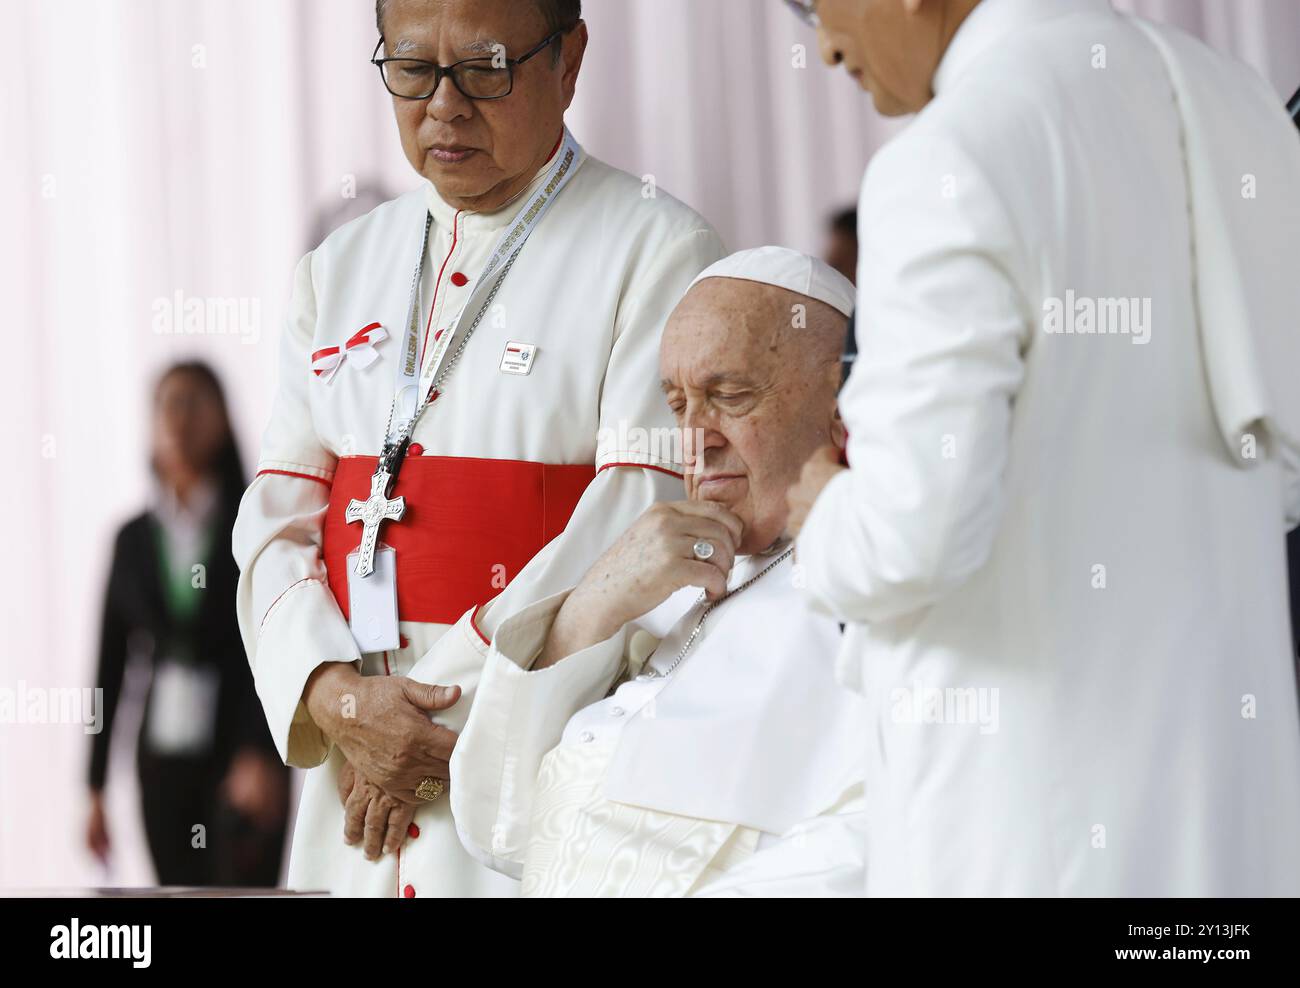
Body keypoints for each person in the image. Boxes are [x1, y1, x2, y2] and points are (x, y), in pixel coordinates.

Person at [784, 0, 1300, 895]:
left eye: (818, 4)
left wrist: (821, 510)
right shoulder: (1241, 103)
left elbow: (909, 540)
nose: (824, 45)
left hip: (1025, 828)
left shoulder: (949, 155)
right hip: (1228, 821)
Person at [232, 0, 724, 897]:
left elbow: (633, 525)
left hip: (522, 765)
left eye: (487, 68)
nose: (445, 105)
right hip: (348, 782)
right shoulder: (336, 269)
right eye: (413, 68)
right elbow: (274, 516)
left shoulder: (658, 249)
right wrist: (339, 699)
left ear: (569, 59)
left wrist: (416, 725)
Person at [446, 248, 865, 896]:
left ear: (839, 402)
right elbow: (500, 826)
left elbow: (876, 837)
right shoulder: (665, 582)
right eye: (678, 405)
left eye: (729, 396)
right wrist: (593, 605)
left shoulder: (874, 590)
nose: (697, 440)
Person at [90, 362, 289, 887]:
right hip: (160, 763)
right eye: (168, 405)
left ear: (222, 420)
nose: (179, 419)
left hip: (240, 758)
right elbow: (108, 668)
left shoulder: (254, 528)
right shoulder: (131, 540)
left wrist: (260, 752)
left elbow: (273, 642)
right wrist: (93, 790)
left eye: (194, 403)